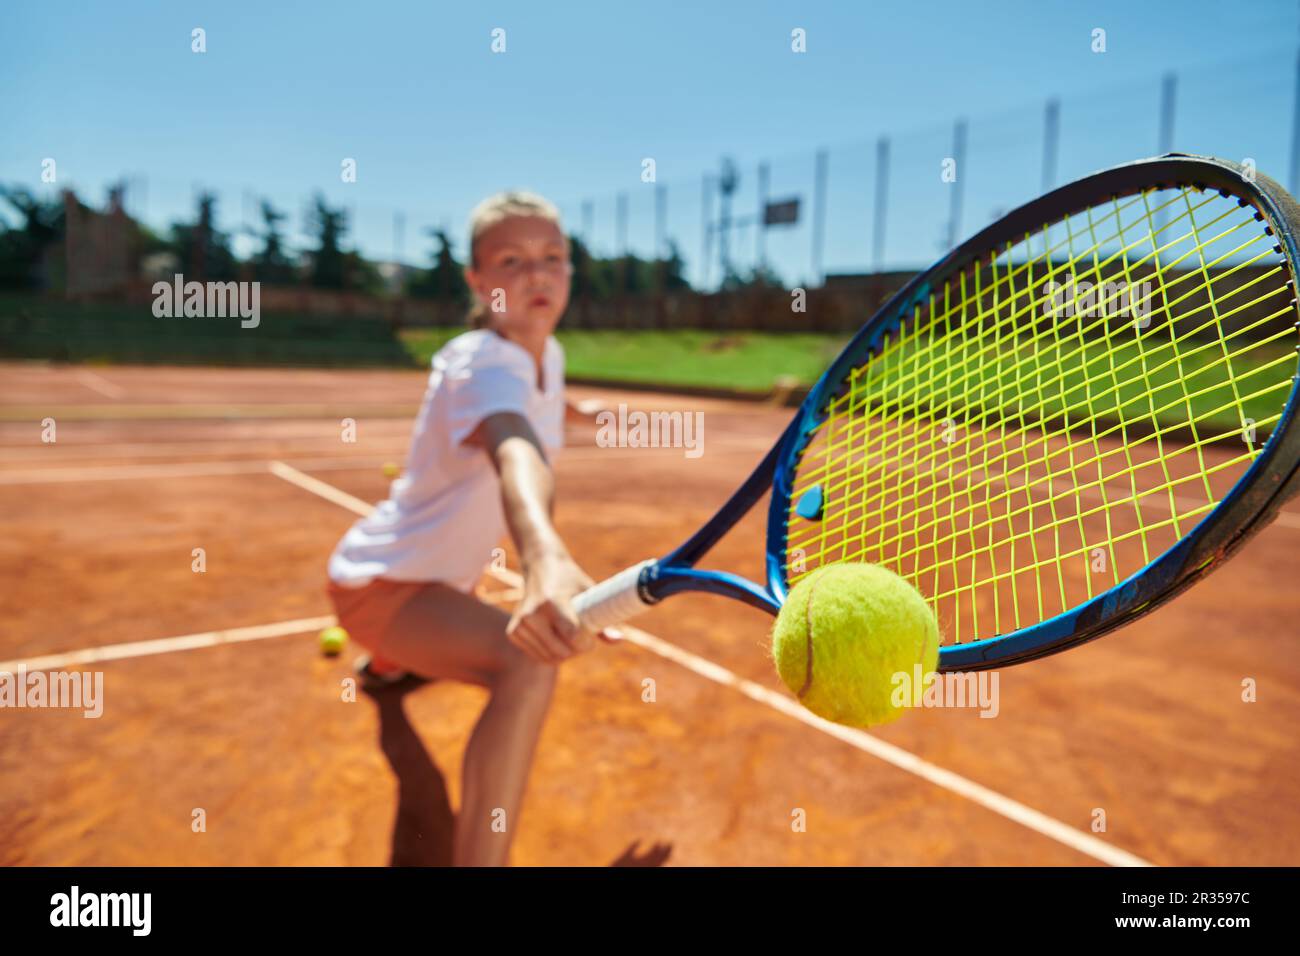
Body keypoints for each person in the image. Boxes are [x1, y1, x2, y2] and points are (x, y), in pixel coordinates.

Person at [326, 190, 617, 867]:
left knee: (458, 623)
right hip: (381, 587)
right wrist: (542, 554)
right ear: (478, 283)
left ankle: (389, 668)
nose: (536, 275)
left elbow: (538, 400)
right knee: (527, 660)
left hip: (427, 582)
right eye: (511, 261)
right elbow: (513, 443)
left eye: (553, 257)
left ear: (571, 271)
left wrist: (579, 412)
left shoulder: (546, 355)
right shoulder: (480, 360)